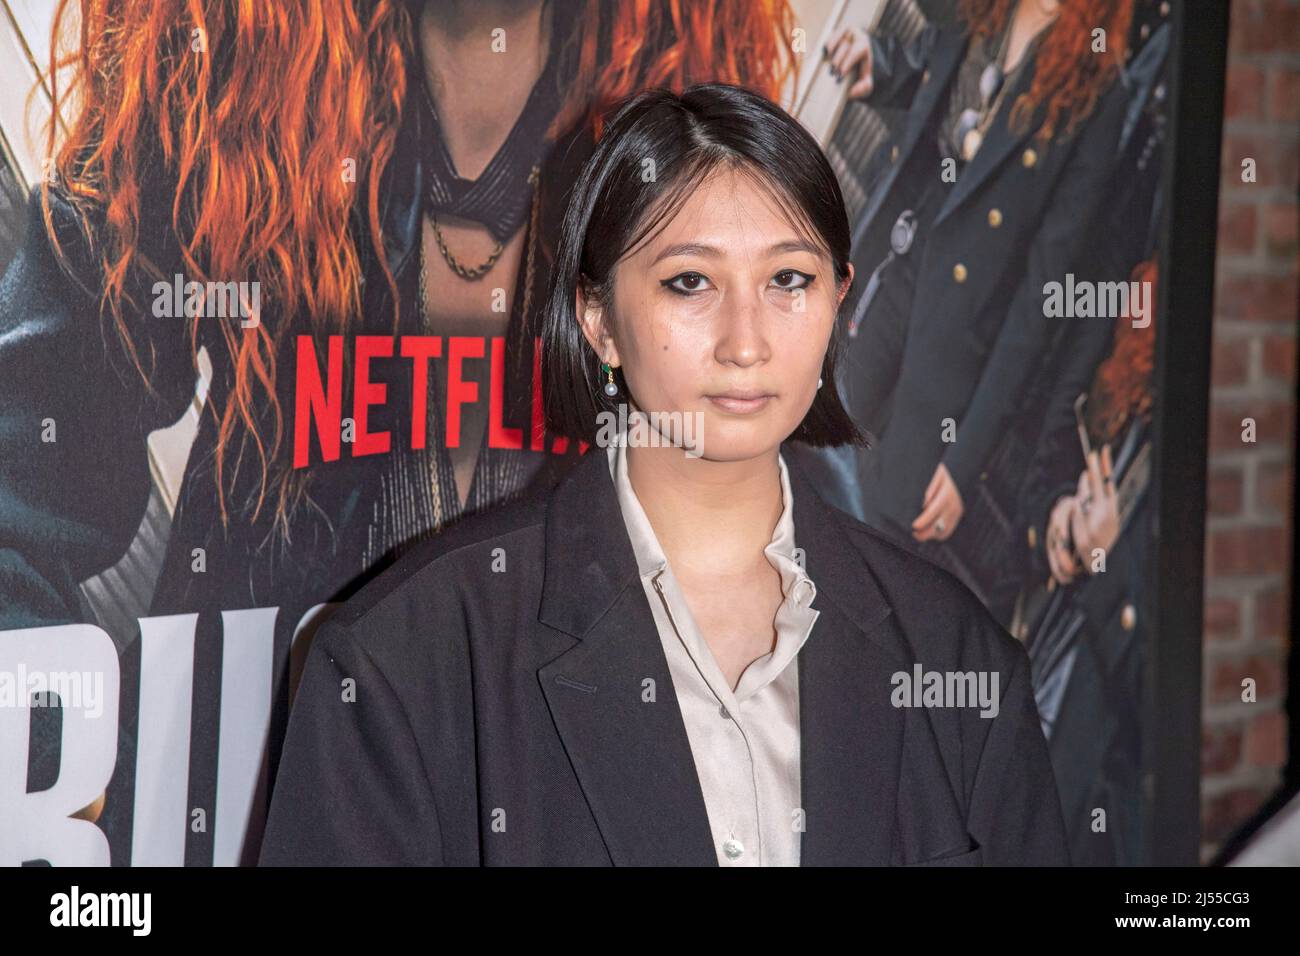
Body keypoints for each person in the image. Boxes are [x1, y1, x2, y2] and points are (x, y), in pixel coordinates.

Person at [0, 0, 794, 861]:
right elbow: (22, 469)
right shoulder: (223, 55)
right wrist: (72, 793)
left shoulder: (693, 124)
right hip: (237, 797)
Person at [259, 82, 1069, 866]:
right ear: (599, 319)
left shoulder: (957, 656)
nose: (745, 341)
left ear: (837, 303)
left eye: (789, 279)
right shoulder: (408, 660)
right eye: (691, 283)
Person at [791, 0, 1132, 569]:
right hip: (891, 275)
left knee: (854, 553)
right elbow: (934, 69)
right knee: (795, 458)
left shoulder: (1099, 91)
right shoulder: (984, 11)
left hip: (947, 369)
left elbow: (1039, 301)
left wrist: (965, 456)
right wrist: (879, 61)